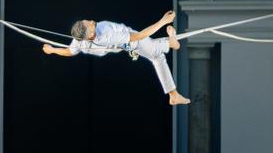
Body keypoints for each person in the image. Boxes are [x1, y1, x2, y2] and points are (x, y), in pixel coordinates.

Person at [42, 11, 191, 105]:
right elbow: (138, 36)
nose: (91, 21)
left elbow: (70, 51)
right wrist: (163, 21)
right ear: (89, 34)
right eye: (90, 24)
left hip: (121, 45)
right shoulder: (107, 34)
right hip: (130, 41)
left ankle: (171, 43)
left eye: (86, 21)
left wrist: (52, 50)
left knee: (162, 52)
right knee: (158, 55)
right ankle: (173, 93)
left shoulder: (78, 40)